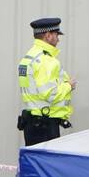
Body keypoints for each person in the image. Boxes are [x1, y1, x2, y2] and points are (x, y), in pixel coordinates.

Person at [17, 18, 76, 146]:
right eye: (56, 35)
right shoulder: (46, 61)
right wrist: (68, 86)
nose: (58, 39)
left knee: (36, 163)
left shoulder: (30, 56)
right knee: (47, 164)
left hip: (33, 123)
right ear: (48, 36)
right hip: (45, 125)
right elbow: (50, 94)